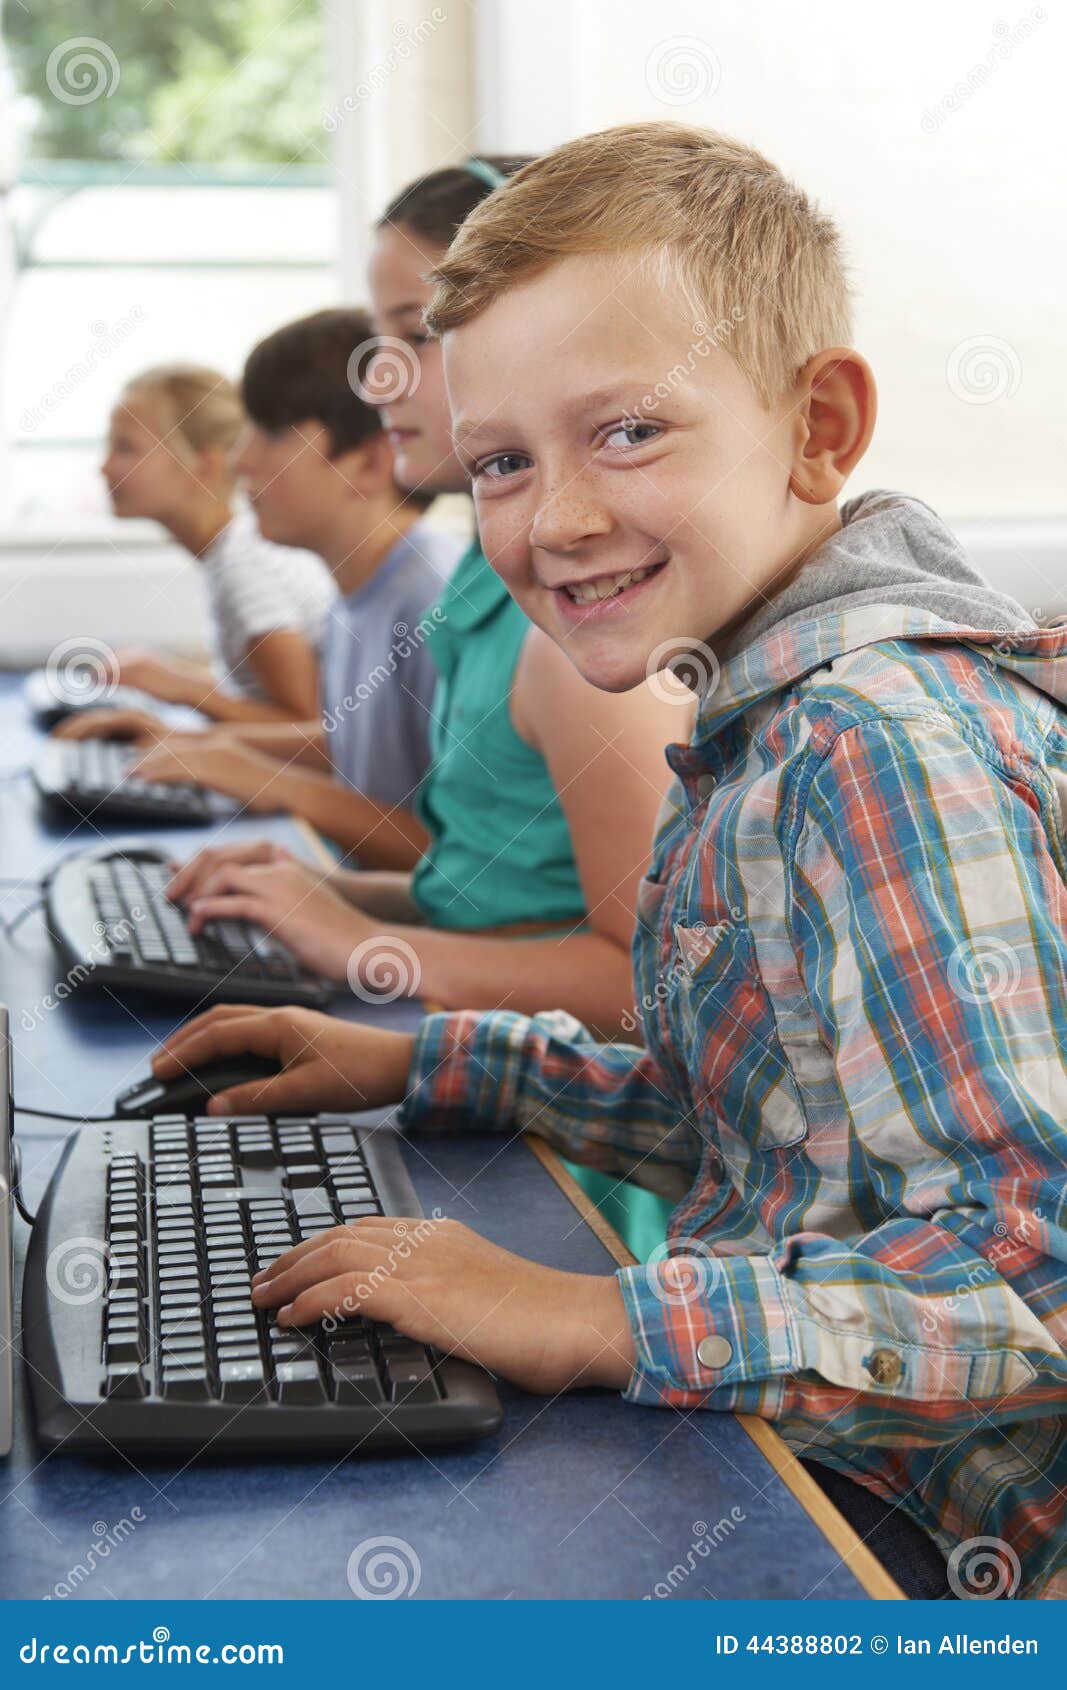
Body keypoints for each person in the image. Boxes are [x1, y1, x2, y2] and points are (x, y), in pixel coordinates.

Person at [154, 123, 1067, 1599]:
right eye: (502, 460)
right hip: (820, 1462)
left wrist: (594, 1315)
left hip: (923, 1548)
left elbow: (1033, 1280)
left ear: (818, 428)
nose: (555, 517)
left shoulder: (872, 743)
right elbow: (776, 1128)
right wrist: (417, 1062)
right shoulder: (761, 712)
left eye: (626, 431)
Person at [155, 162, 685, 1054]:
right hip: (474, 1054)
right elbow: (491, 901)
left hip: (570, 1150)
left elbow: (643, 984)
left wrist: (368, 943)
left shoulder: (577, 630)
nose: (377, 377)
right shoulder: (483, 586)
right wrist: (325, 894)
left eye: (419, 332)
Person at [63, 311, 459, 872]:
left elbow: (454, 862)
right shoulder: (358, 587)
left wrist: (265, 779)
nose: (240, 459)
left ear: (369, 461)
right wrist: (208, 750)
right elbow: (349, 746)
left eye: (269, 433)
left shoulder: (432, 603)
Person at [76, 362, 336, 723]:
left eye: (125, 448)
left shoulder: (244, 567)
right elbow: (254, 694)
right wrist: (167, 676)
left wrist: (180, 688)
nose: (104, 467)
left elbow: (306, 729)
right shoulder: (227, 553)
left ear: (203, 465)